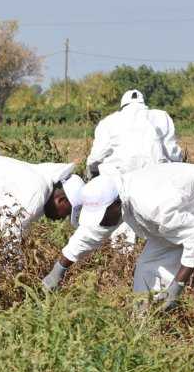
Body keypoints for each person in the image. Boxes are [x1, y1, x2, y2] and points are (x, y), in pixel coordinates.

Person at [41, 164, 194, 342]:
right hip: (178, 210)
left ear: (116, 204)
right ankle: (141, 331)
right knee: (147, 266)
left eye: (103, 217)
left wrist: (177, 286)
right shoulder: (112, 196)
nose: (103, 223)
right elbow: (90, 233)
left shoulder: (152, 204)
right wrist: (58, 269)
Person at [72, 89, 184, 251]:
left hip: (119, 183)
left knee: (122, 228)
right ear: (143, 103)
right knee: (157, 226)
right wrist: (179, 170)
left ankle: (123, 264)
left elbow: (96, 156)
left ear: (122, 105)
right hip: (154, 180)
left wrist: (92, 173)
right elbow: (173, 152)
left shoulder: (109, 121)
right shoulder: (161, 117)